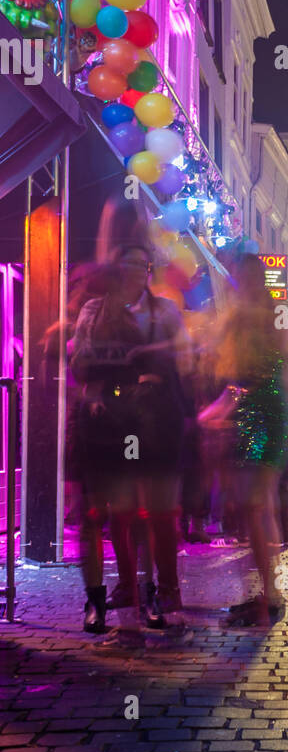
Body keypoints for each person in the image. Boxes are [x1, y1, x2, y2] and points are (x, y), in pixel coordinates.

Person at [70, 243, 189, 632]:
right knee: (94, 512)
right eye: (127, 264)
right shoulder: (93, 310)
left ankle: (147, 592)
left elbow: (182, 355)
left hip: (139, 423)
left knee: (135, 508)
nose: (134, 271)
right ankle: (95, 601)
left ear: (148, 270)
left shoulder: (161, 311)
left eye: (141, 264)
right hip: (98, 419)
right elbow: (78, 361)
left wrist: (150, 359)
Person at [199, 255, 288, 625]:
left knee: (253, 507)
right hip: (273, 407)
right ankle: (269, 592)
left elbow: (244, 371)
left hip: (255, 410)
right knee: (262, 506)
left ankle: (267, 597)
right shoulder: (276, 314)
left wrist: (224, 407)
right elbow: (280, 364)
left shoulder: (243, 317)